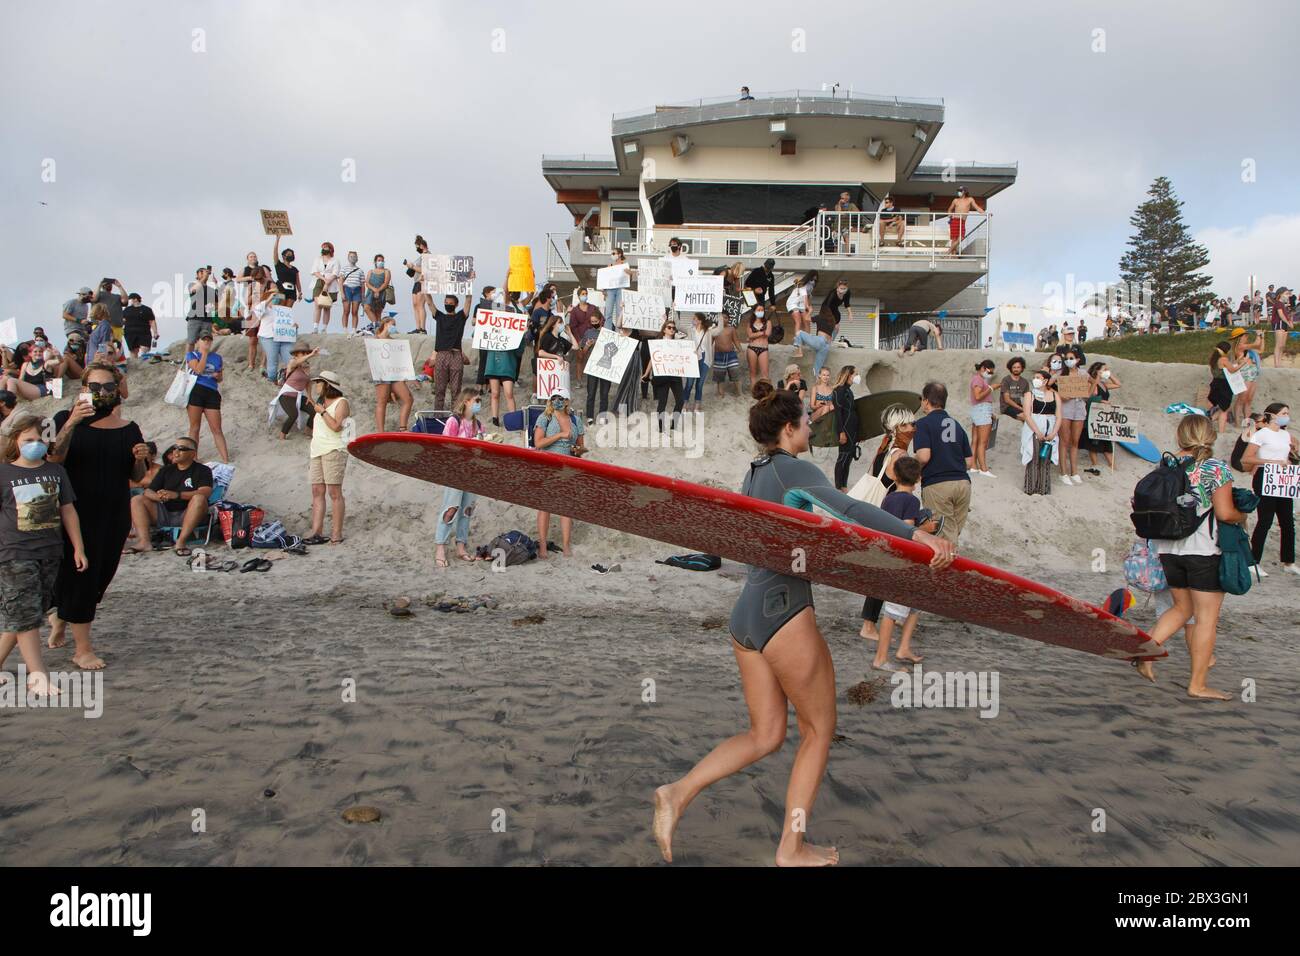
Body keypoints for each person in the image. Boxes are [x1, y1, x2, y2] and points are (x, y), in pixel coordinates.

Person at [652, 380, 954, 866]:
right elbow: (850, 509)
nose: (812, 425)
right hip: (783, 612)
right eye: (807, 421)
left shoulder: (753, 474)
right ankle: (791, 847)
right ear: (789, 428)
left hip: (747, 617)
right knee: (817, 731)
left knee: (766, 735)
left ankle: (678, 791)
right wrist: (916, 535)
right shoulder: (794, 469)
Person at [1133, 416, 1246, 700]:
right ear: (1210, 437)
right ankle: (1198, 685)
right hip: (1204, 550)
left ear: (1180, 436)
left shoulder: (1166, 465)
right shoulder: (1214, 468)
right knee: (1206, 619)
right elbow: (1224, 513)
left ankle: (1144, 653)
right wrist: (1242, 514)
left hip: (1169, 550)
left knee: (1182, 609)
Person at [45, 362, 148, 669]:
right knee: (83, 574)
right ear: (84, 389)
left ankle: (62, 615)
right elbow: (54, 458)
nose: (102, 392)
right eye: (95, 386)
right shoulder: (64, 419)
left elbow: (137, 477)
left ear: (117, 391)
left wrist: (140, 460)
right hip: (75, 510)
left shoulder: (129, 428)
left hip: (115, 512)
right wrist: (72, 422)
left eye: (108, 387)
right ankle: (82, 649)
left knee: (102, 574)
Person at [0, 413, 87, 698]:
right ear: (15, 441)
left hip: (50, 552)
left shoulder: (55, 472)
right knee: (25, 617)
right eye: (28, 440)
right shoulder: (4, 473)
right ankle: (38, 677)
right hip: (14, 552)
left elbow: (68, 510)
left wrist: (78, 547)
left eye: (39, 439)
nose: (34, 444)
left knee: (28, 613)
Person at [859, 405, 924, 643]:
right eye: (907, 425)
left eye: (913, 424)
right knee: (886, 570)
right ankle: (870, 624)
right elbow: (902, 482)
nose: (913, 428)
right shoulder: (900, 455)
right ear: (897, 428)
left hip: (883, 510)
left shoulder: (886, 448)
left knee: (884, 570)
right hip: (892, 512)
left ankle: (882, 620)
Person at [870, 456, 929, 672]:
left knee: (915, 604)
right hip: (902, 560)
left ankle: (903, 648)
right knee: (893, 611)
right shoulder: (911, 501)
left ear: (895, 475)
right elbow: (906, 530)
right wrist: (928, 531)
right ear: (919, 479)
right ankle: (881, 658)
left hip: (888, 555)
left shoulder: (889, 498)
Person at [127, 438, 213, 557]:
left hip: (189, 513)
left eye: (182, 449)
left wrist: (176, 495)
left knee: (199, 498)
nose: (176, 452)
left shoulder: (202, 470)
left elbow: (205, 492)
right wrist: (159, 497)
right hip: (166, 512)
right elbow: (148, 491)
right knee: (137, 499)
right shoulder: (166, 470)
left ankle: (181, 542)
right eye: (174, 448)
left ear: (193, 453)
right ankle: (144, 542)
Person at [911, 381, 973, 545]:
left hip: (938, 484)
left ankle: (944, 569)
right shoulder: (956, 425)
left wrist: (913, 467)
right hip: (963, 483)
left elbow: (924, 456)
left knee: (941, 537)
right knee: (953, 533)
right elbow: (969, 461)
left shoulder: (923, 424)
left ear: (925, 401)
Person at [1242, 403, 1296, 575]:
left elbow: (1284, 454)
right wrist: (1271, 462)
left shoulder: (1285, 434)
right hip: (1266, 476)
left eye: (1287, 413)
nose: (1286, 416)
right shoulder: (1262, 434)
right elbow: (1247, 458)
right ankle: (1253, 561)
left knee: (1287, 521)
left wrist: (1288, 460)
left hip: (1283, 478)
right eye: (1283, 413)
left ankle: (1288, 561)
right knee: (1265, 520)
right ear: (1272, 415)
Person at [434, 388, 486, 568]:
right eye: (476, 400)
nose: (479, 404)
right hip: (455, 471)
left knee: (467, 510)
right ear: (466, 401)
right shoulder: (454, 421)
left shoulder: (478, 425)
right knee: (450, 509)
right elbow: (445, 446)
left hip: (472, 472)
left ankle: (461, 546)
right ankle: (440, 546)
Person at [533, 388, 585, 557]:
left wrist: (577, 450)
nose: (556, 400)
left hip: (568, 466)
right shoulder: (545, 418)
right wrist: (561, 435)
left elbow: (581, 447)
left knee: (565, 507)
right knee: (545, 506)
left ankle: (566, 546)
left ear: (567, 401)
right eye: (554, 397)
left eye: (560, 398)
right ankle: (542, 546)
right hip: (548, 464)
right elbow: (538, 443)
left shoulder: (576, 420)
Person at [303, 371, 350, 546]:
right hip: (317, 450)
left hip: (334, 450)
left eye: (319, 383)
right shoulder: (320, 402)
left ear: (327, 385)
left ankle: (336, 534)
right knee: (317, 490)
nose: (316, 385)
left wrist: (322, 412)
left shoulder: (341, 403)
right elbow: (307, 384)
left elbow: (337, 427)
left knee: (334, 492)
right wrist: (316, 405)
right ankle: (317, 531)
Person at [184, 332, 230, 464]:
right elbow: (198, 369)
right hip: (196, 390)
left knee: (216, 428)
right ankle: (193, 458)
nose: (207, 342)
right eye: (204, 340)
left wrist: (218, 376)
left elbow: (220, 378)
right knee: (195, 427)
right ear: (198, 341)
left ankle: (225, 459)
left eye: (209, 340)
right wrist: (204, 353)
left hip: (211, 391)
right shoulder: (192, 354)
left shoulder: (217, 357)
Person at [641, 318, 685, 432]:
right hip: (662, 375)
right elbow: (652, 359)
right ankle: (661, 428)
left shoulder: (679, 342)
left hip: (675, 375)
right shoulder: (658, 342)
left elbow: (685, 353)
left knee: (680, 400)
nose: (672, 329)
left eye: (673, 328)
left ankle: (673, 425)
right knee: (662, 403)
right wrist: (646, 374)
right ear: (664, 330)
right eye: (669, 327)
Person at [1019, 369, 1059, 496]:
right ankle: (1031, 487)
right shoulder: (1029, 395)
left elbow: (1059, 416)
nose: (1035, 379)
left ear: (1045, 380)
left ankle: (1043, 488)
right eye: (1034, 377)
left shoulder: (1054, 395)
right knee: (1034, 457)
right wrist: (1037, 431)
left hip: (1050, 427)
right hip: (1034, 428)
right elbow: (1027, 414)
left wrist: (1054, 432)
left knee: (1045, 458)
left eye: (1038, 377)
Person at [1053, 346, 1089, 484]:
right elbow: (1048, 385)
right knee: (1064, 441)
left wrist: (1088, 392)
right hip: (1065, 409)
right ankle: (1063, 472)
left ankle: (1074, 471)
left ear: (1077, 360)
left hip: (1079, 408)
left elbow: (1092, 386)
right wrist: (1060, 395)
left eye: (1071, 358)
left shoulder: (1083, 373)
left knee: (1075, 441)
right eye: (1066, 359)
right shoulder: (1061, 373)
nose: (1068, 361)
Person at [371, 317, 414, 432]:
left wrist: (405, 377)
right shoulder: (375, 339)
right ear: (385, 324)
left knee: (408, 399)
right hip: (382, 373)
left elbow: (399, 361)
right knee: (382, 401)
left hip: (395, 374)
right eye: (392, 324)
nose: (394, 326)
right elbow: (374, 359)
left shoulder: (395, 342)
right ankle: (381, 431)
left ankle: (403, 428)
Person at [430, 294, 471, 409]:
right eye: (446, 303)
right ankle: (437, 417)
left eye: (450, 303)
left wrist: (469, 283)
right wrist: (425, 287)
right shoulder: (439, 316)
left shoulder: (460, 317)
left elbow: (468, 301)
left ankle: (455, 417)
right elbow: (429, 302)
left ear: (456, 304)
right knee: (439, 389)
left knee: (456, 389)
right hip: (441, 354)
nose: (448, 305)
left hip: (456, 354)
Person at [1080, 361, 1122, 471]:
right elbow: (1088, 398)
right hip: (1094, 415)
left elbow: (1118, 384)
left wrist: (1109, 374)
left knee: (1106, 440)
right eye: (1105, 369)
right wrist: (1101, 401)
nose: (1107, 371)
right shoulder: (1092, 383)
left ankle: (1112, 466)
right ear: (1097, 371)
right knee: (1093, 441)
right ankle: (1095, 464)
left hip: (1104, 416)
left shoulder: (1103, 384)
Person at [276, 344, 317, 440]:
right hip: (286, 395)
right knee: (293, 414)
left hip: (298, 396)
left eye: (306, 352)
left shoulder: (307, 366)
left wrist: (310, 397)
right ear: (296, 354)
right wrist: (311, 354)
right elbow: (298, 362)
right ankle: (282, 435)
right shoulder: (292, 362)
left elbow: (308, 382)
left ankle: (308, 430)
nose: (305, 354)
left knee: (314, 410)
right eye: (302, 353)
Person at [831, 366, 860, 490]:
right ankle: (838, 486)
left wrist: (860, 433)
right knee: (842, 458)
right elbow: (838, 413)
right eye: (855, 374)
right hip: (845, 429)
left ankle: (844, 485)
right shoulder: (839, 390)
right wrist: (841, 432)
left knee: (848, 458)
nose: (857, 377)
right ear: (848, 375)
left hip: (852, 429)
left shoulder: (849, 390)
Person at [969, 359, 999, 477]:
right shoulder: (978, 379)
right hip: (982, 410)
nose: (990, 374)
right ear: (983, 368)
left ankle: (973, 466)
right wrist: (991, 388)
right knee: (983, 442)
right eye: (989, 372)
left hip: (978, 410)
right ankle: (983, 468)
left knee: (976, 440)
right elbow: (978, 396)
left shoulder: (978, 379)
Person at [1229, 328, 1264, 422]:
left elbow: (1260, 349)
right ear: (1239, 337)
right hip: (1246, 375)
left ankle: (1247, 422)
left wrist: (1262, 337)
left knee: (1249, 400)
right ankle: (1237, 422)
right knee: (1241, 399)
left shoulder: (1245, 347)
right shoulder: (1240, 346)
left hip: (1253, 374)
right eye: (1245, 336)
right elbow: (1256, 344)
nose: (1246, 337)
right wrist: (1258, 335)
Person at [1206, 340, 1239, 434]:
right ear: (1226, 350)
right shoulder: (1223, 359)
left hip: (1214, 383)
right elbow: (1233, 370)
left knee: (1217, 406)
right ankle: (1221, 432)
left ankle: (1210, 419)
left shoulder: (1213, 358)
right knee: (1224, 409)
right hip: (1224, 385)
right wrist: (1243, 363)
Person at [684, 314, 713, 415]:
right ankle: (685, 404)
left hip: (705, 358)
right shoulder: (690, 330)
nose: (693, 320)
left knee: (699, 384)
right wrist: (674, 308)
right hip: (692, 358)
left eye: (695, 319)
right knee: (689, 383)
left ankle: (697, 406)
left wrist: (719, 315)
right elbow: (678, 325)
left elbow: (720, 329)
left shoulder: (708, 331)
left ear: (700, 321)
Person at [402, 235, 431, 334]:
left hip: (423, 281)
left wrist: (412, 266)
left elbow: (425, 270)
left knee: (420, 304)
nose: (416, 248)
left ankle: (422, 328)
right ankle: (418, 327)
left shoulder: (427, 255)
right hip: (416, 281)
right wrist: (410, 267)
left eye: (417, 246)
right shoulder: (421, 256)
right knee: (415, 304)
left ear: (422, 245)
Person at [310, 241, 340, 334]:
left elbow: (335, 273)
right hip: (318, 282)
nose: (324, 249)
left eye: (326, 247)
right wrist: (324, 279)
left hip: (331, 283)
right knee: (318, 304)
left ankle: (324, 328)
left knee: (327, 306)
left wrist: (327, 282)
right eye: (323, 247)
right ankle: (315, 327)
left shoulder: (335, 260)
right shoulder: (317, 259)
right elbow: (315, 271)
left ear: (330, 249)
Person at [945, 187, 984, 255]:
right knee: (954, 239)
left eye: (960, 191)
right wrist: (950, 214)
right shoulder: (955, 200)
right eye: (958, 191)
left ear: (965, 192)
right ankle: (953, 256)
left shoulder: (970, 199)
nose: (959, 192)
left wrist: (986, 214)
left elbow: (977, 208)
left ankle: (947, 252)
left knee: (961, 238)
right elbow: (950, 209)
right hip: (954, 220)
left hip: (962, 221)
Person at [186, 267, 216, 347]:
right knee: (191, 341)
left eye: (205, 272)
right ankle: (189, 359)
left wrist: (210, 307)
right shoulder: (192, 285)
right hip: (194, 317)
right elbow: (194, 290)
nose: (204, 274)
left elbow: (216, 304)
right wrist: (204, 278)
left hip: (207, 319)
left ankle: (203, 359)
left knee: (206, 342)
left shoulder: (211, 290)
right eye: (201, 272)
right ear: (197, 275)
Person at [338, 250, 366, 335]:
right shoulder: (344, 268)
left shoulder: (360, 270)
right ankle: (345, 329)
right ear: (348, 258)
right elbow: (341, 281)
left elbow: (362, 284)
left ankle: (354, 329)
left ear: (357, 258)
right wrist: (342, 293)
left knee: (355, 311)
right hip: (347, 289)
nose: (352, 258)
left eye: (354, 257)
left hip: (357, 290)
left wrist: (363, 295)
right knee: (346, 310)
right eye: (351, 256)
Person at [603, 249, 632, 330]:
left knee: (620, 312)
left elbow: (628, 281)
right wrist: (604, 290)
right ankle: (607, 331)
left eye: (613, 253)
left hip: (620, 289)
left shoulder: (625, 266)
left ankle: (618, 332)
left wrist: (630, 274)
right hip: (610, 290)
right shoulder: (610, 266)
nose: (612, 255)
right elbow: (606, 280)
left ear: (619, 254)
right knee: (608, 312)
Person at [121, 292, 157, 357]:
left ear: (135, 299)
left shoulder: (147, 309)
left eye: (130, 299)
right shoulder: (127, 310)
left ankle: (144, 364)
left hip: (144, 333)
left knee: (145, 350)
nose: (129, 301)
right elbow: (123, 321)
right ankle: (134, 366)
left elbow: (152, 321)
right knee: (133, 352)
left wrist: (155, 332)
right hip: (130, 333)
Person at [362, 254, 391, 331]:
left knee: (378, 312)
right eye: (379, 260)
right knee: (366, 308)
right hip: (370, 292)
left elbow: (386, 283)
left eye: (382, 260)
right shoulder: (370, 271)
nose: (381, 262)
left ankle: (378, 331)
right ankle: (376, 325)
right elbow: (367, 283)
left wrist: (378, 290)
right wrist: (374, 290)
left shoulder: (386, 271)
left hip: (381, 293)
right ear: (375, 262)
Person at [744, 304, 772, 385]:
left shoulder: (768, 322)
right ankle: (753, 391)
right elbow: (750, 335)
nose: (761, 312)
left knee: (765, 373)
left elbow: (767, 333)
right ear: (754, 311)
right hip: (752, 348)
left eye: (762, 310)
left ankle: (766, 392)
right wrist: (761, 332)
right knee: (753, 372)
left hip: (763, 348)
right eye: (758, 310)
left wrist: (755, 334)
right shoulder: (750, 323)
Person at [272, 235, 302, 305]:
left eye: (291, 254)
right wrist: (277, 239)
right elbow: (275, 253)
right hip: (281, 288)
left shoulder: (295, 269)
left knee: (287, 311)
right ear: (283, 256)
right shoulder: (279, 264)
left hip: (292, 291)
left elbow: (298, 282)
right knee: (279, 307)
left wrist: (300, 292)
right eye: (288, 254)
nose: (290, 255)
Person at [999, 357, 1030, 422]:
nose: (1016, 369)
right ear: (1011, 368)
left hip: (1019, 405)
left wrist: (1026, 407)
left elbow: (1027, 397)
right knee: (1025, 416)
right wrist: (1021, 408)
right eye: (1014, 367)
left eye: (1018, 367)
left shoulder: (1025, 382)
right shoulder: (1006, 380)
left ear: (1022, 368)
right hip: (1007, 407)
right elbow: (1007, 400)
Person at [786, 276, 811, 356]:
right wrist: (809, 309)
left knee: (806, 321)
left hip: (800, 304)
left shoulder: (800, 289)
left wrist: (807, 309)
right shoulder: (803, 289)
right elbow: (806, 302)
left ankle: (807, 339)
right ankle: (797, 341)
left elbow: (804, 302)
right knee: (798, 322)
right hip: (792, 304)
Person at [1269, 287, 1293, 368]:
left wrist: (1290, 322)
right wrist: (1288, 322)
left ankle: (1280, 362)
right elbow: (1281, 315)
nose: (1288, 296)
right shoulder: (1278, 303)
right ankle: (1277, 364)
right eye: (1286, 294)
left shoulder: (1283, 304)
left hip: (1284, 324)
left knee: (1282, 345)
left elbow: (1286, 315)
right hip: (1279, 323)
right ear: (1280, 295)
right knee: (1278, 345)